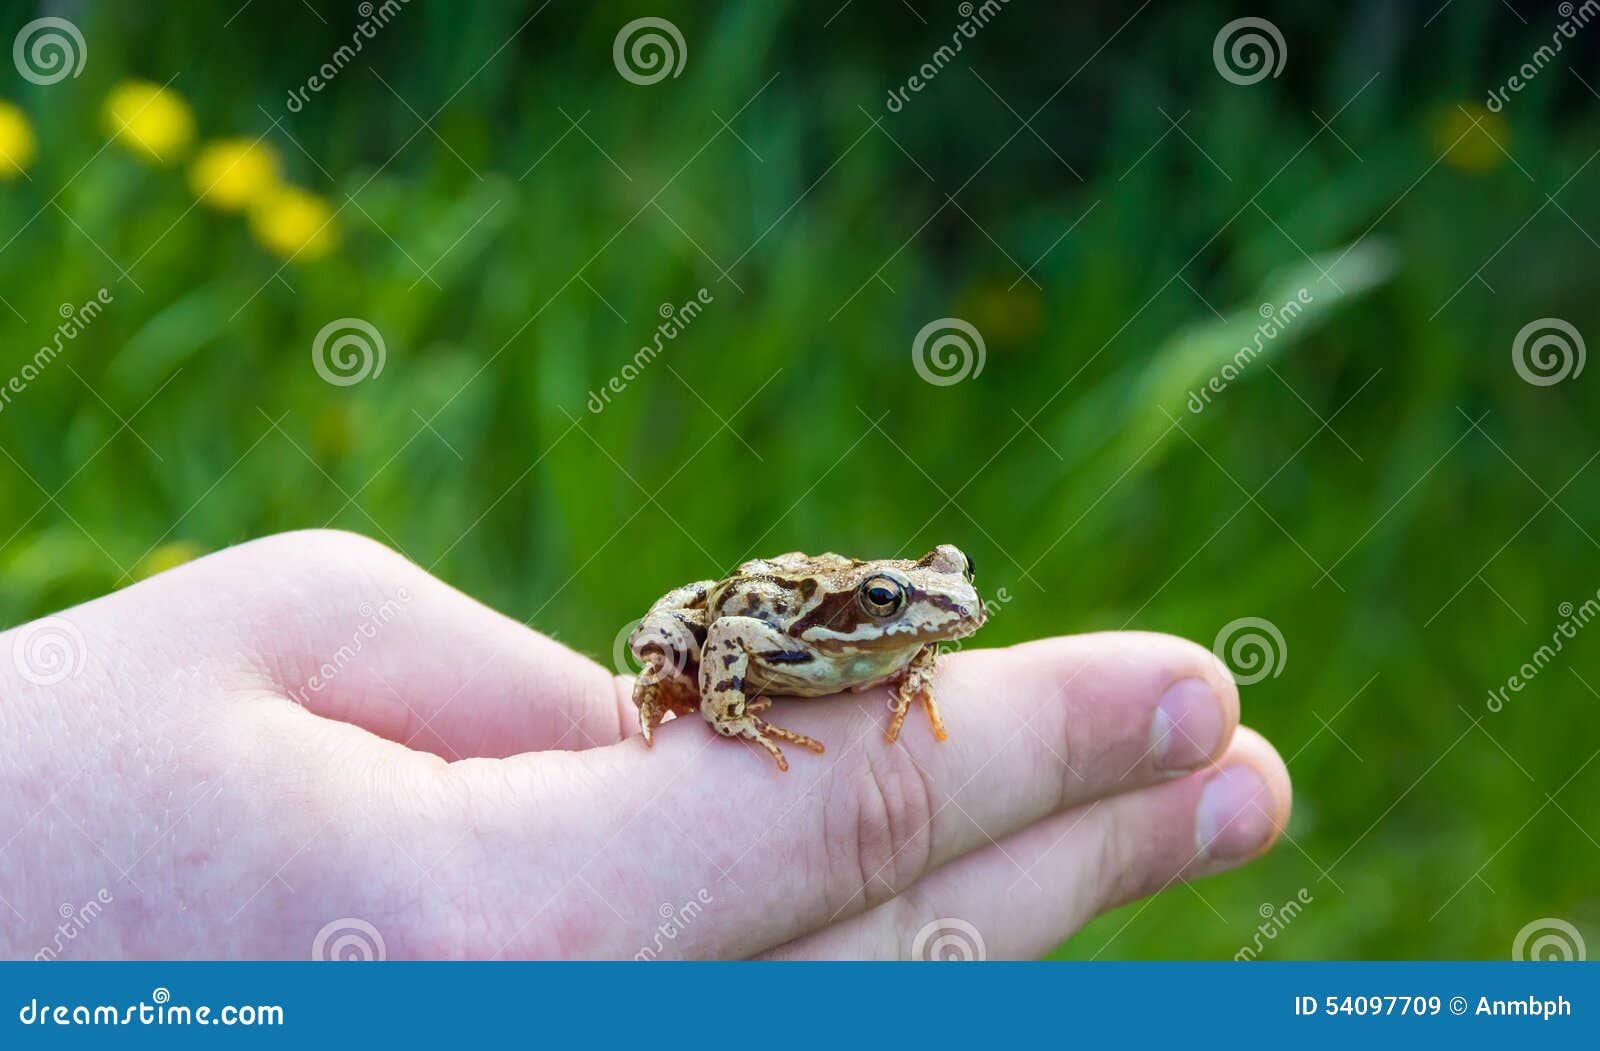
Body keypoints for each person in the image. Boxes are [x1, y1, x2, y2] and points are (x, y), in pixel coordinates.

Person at [0, 530, 1291, 959]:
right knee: (684, 637)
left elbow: (927, 639)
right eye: (899, 603)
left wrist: (907, 670)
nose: (935, 613)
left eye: (937, 592)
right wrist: (723, 720)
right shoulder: (797, 633)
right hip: (733, 624)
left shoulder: (902, 641)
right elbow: (725, 643)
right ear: (859, 608)